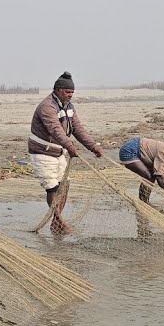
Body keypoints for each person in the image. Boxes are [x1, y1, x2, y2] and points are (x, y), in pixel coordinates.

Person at [28, 71, 104, 234]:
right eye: (67, 92)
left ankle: (56, 222)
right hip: (42, 152)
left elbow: (78, 129)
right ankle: (60, 221)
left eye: (72, 92)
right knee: (52, 187)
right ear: (57, 90)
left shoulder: (69, 107)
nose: (70, 95)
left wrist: (92, 147)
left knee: (64, 185)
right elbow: (55, 130)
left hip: (58, 152)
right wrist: (70, 146)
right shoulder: (47, 106)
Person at [117, 137, 164, 201]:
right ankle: (143, 201)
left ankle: (145, 200)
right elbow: (159, 177)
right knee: (148, 176)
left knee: (151, 175)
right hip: (129, 151)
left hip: (138, 146)